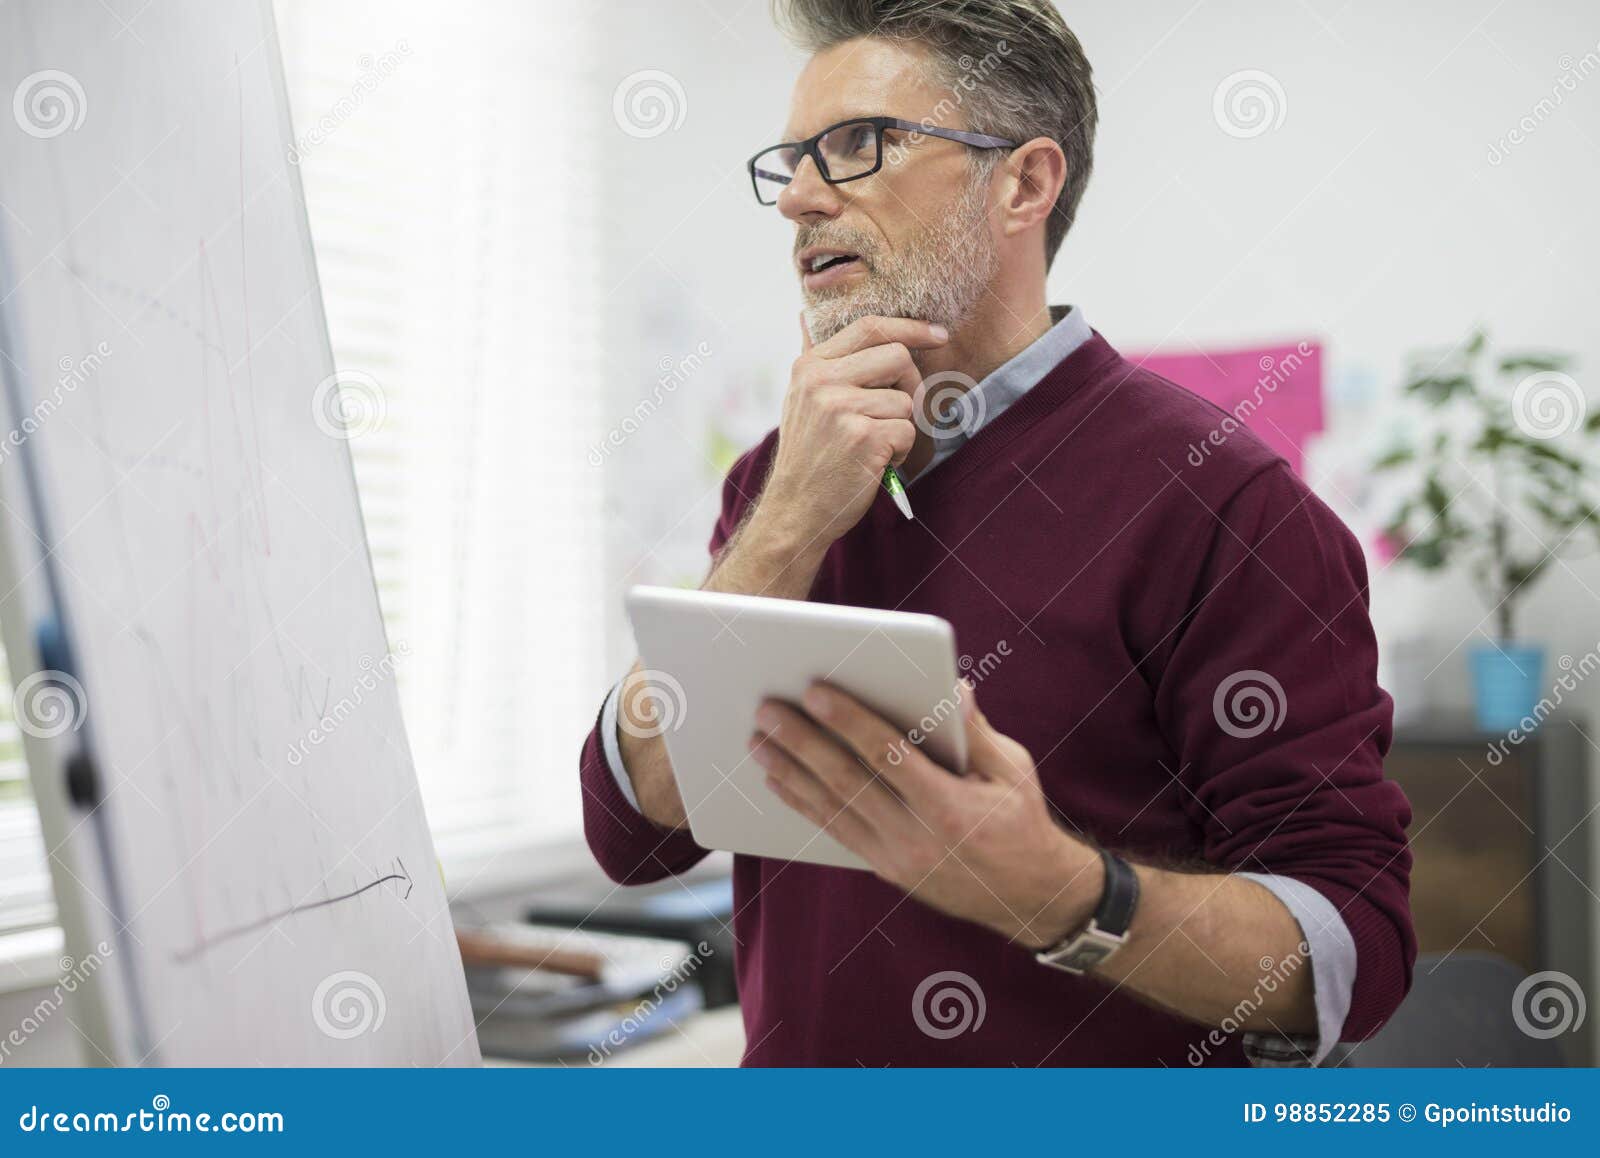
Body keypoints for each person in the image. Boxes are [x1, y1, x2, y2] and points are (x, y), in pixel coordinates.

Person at [578, 0, 1413, 1066]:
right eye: (790, 161)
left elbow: (1356, 955)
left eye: (858, 144)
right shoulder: (780, 478)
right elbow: (633, 829)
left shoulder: (1224, 504)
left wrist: (1061, 892)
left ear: (1023, 185)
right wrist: (786, 524)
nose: (796, 198)